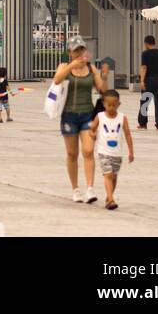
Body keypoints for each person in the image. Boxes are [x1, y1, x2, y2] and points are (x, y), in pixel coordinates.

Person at [52, 38, 108, 203]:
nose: (79, 53)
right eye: (75, 50)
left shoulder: (91, 68)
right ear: (70, 52)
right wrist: (71, 65)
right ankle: (75, 189)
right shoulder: (64, 67)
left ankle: (90, 188)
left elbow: (102, 89)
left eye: (81, 49)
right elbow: (56, 80)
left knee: (89, 151)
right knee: (72, 153)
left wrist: (103, 76)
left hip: (87, 114)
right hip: (69, 115)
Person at [90, 89, 134, 211]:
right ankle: (110, 198)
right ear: (104, 104)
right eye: (109, 105)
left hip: (117, 153)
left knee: (114, 177)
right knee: (108, 175)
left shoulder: (122, 118)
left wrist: (131, 151)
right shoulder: (100, 117)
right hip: (104, 152)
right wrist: (92, 135)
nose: (111, 107)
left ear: (119, 104)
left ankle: (109, 197)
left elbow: (128, 135)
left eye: (114, 105)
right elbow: (92, 129)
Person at [138, 35, 158, 131]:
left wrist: (142, 81)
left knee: (145, 102)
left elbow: (144, 68)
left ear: (146, 43)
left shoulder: (145, 54)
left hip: (149, 81)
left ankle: (143, 123)